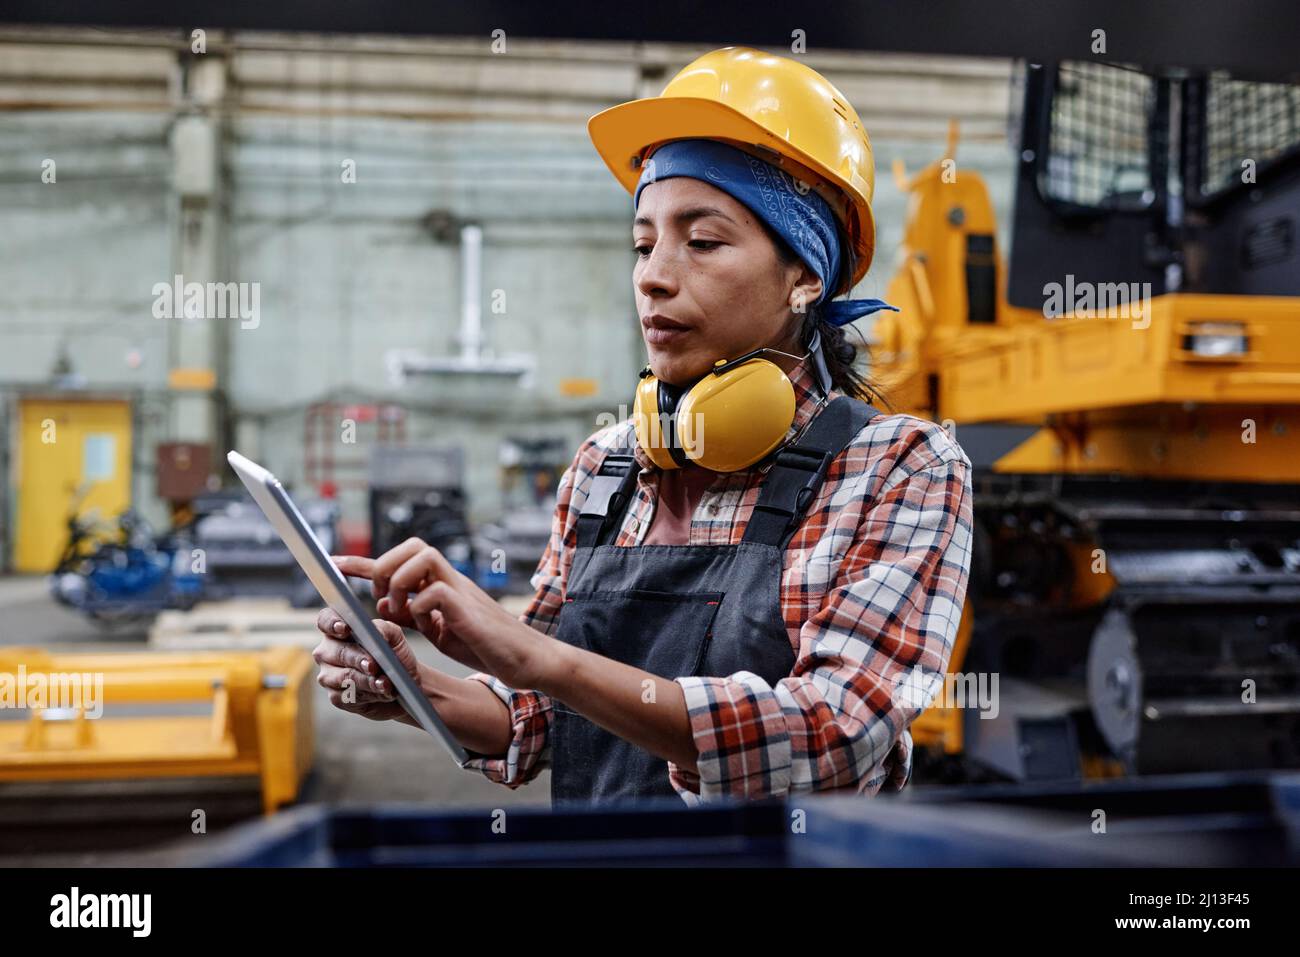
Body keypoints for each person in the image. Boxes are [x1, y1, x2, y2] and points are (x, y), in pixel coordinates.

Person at [312, 46, 973, 805]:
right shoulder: (606, 468)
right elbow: (541, 718)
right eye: (643, 243)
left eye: (702, 241)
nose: (655, 274)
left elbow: (831, 734)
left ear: (806, 275)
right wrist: (415, 686)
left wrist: (541, 658)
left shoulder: (899, 467)